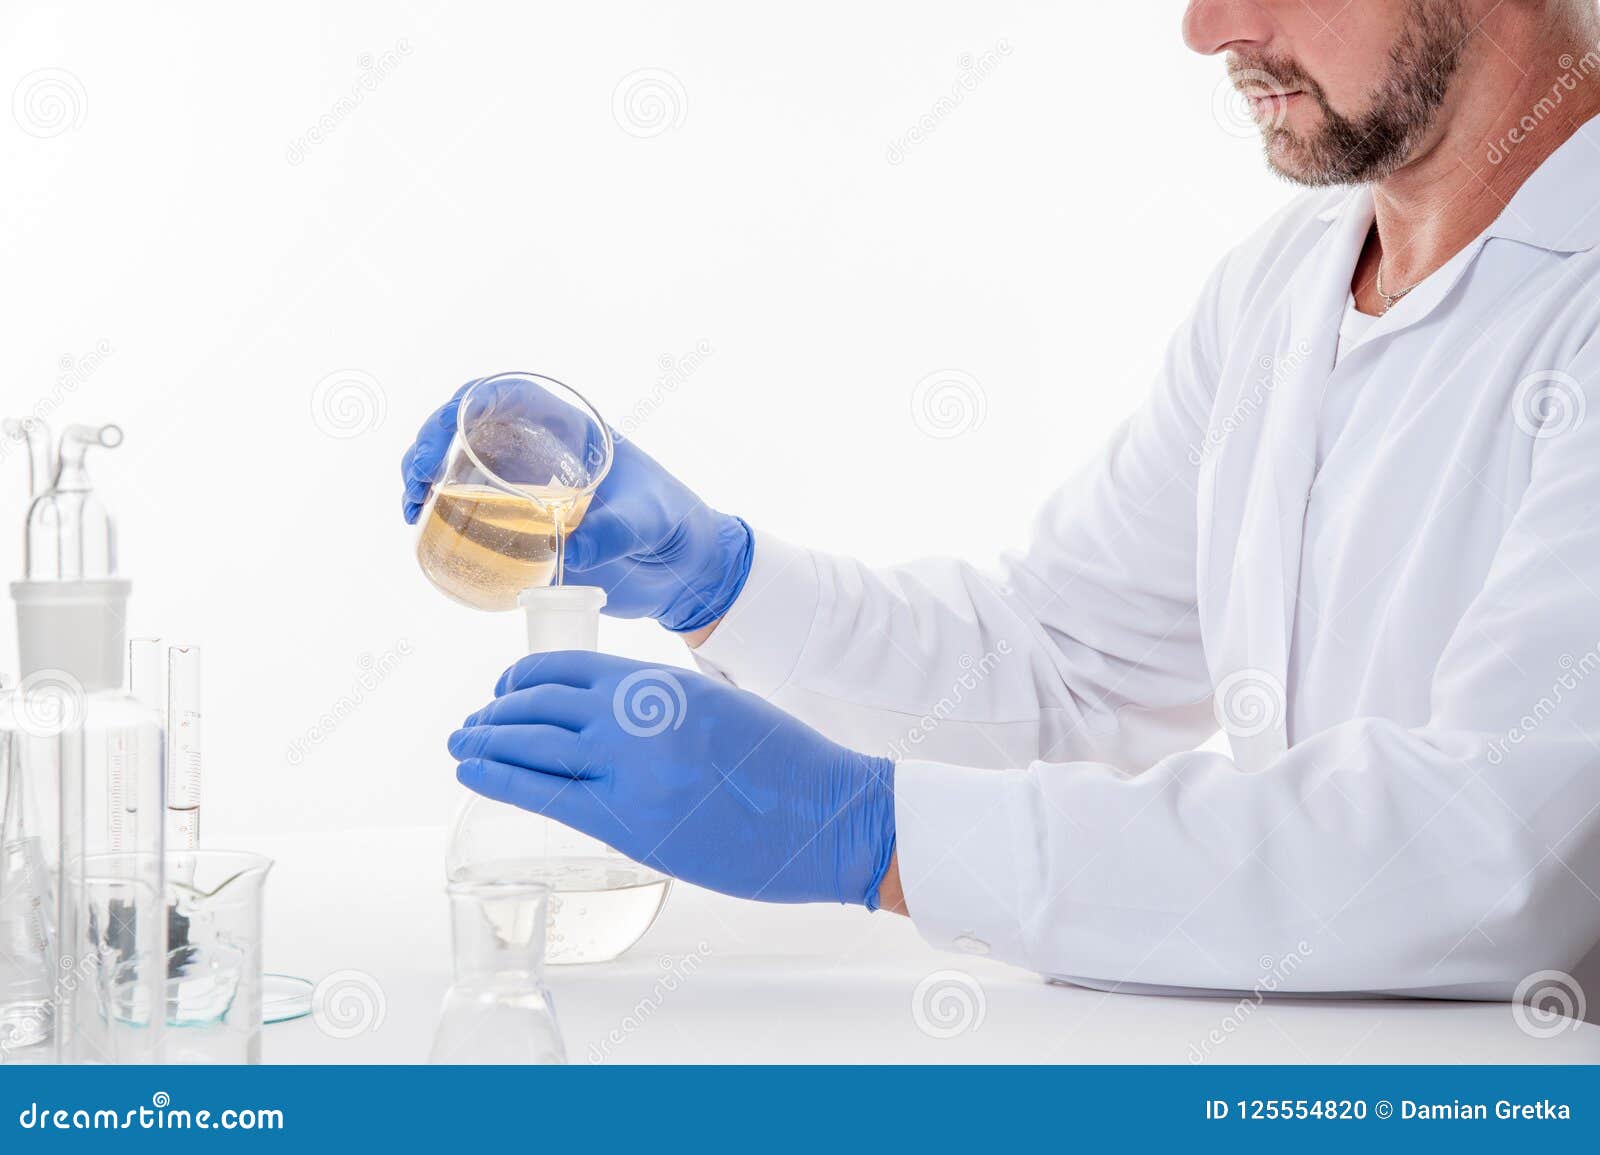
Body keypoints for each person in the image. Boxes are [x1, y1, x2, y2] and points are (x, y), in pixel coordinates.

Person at [403, 0, 1600, 1000]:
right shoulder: (1286, 283)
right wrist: (723, 579)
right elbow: (1066, 665)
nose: (1207, 29)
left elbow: (1493, 852)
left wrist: (875, 836)